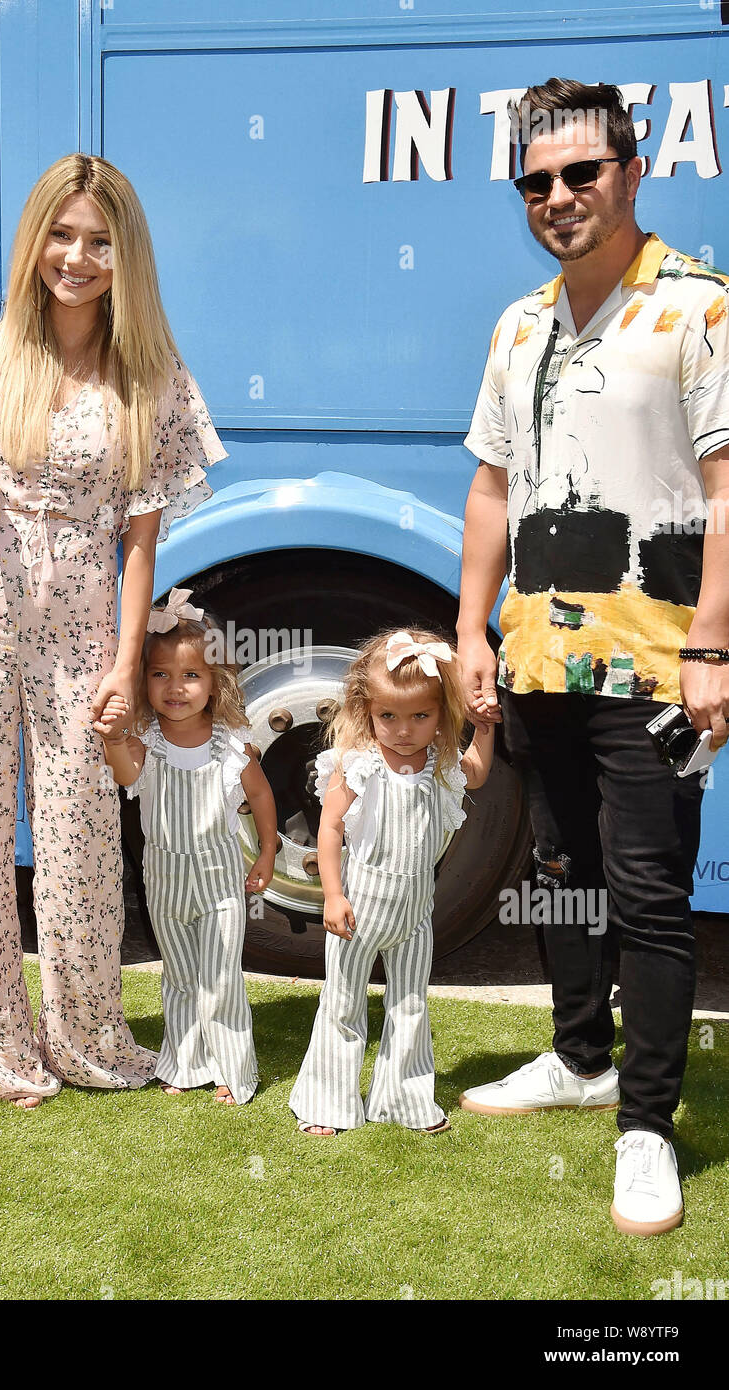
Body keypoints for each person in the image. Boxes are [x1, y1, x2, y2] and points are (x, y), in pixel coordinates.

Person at [456, 79, 729, 1234]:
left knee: (652, 897)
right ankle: (579, 1057)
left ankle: (648, 1127)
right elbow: (491, 486)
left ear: (631, 172)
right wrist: (470, 627)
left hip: (660, 664)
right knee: (563, 875)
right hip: (539, 662)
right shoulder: (521, 324)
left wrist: (714, 641)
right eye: (537, 181)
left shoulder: (702, 311)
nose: (559, 197)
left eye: (583, 174)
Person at [0, 154, 227, 1106]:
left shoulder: (154, 379)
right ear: (34, 241)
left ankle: (84, 1036)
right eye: (62, 234)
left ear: (127, 256)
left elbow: (141, 540)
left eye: (99, 240)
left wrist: (128, 662)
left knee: (82, 836)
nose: (76, 258)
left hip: (85, 625)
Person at [289, 628, 493, 1136]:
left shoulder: (441, 766)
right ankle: (326, 1102)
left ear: (442, 713)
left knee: (410, 1004)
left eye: (420, 716)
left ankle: (404, 1099)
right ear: (367, 711)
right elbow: (330, 829)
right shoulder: (358, 766)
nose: (404, 730)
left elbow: (479, 773)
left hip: (414, 915)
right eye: (389, 717)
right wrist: (332, 896)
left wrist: (484, 729)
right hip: (357, 912)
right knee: (342, 1002)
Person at [98, 590, 277, 1106]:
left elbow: (260, 794)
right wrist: (113, 740)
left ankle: (232, 1068)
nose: (175, 688)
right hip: (165, 877)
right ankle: (183, 1061)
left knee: (221, 975)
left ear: (215, 681)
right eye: (160, 675)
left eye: (191, 676)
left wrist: (266, 853)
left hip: (219, 874)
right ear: (143, 681)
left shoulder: (230, 744)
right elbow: (127, 775)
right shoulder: (145, 740)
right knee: (179, 973)